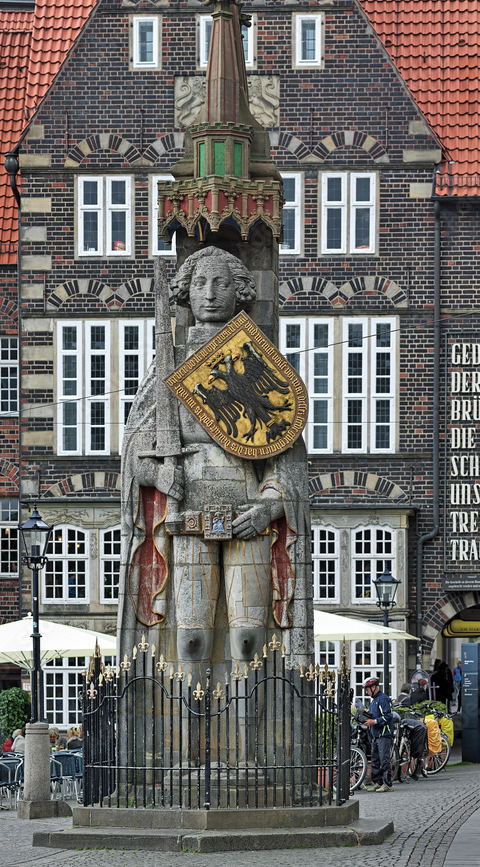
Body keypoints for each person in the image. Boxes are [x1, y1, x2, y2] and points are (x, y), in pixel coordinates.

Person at [121, 247, 309, 676]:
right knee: (190, 640)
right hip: (187, 514)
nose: (209, 294)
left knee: (248, 641)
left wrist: (270, 507)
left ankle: (251, 741)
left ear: (239, 290)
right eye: (201, 284)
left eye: (220, 283)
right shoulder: (169, 368)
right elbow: (135, 452)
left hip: (248, 511)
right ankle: (182, 740)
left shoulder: (256, 361)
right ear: (186, 292)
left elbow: (286, 454)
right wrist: (160, 474)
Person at [362, 677, 394, 793]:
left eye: (367, 689)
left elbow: (388, 716)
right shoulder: (374, 700)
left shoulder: (383, 699)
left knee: (384, 760)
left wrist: (374, 722)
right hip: (375, 734)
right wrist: (367, 715)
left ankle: (388, 784)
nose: (366, 692)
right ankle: (377, 782)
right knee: (375, 760)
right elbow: (375, 715)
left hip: (384, 734)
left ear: (374, 687)